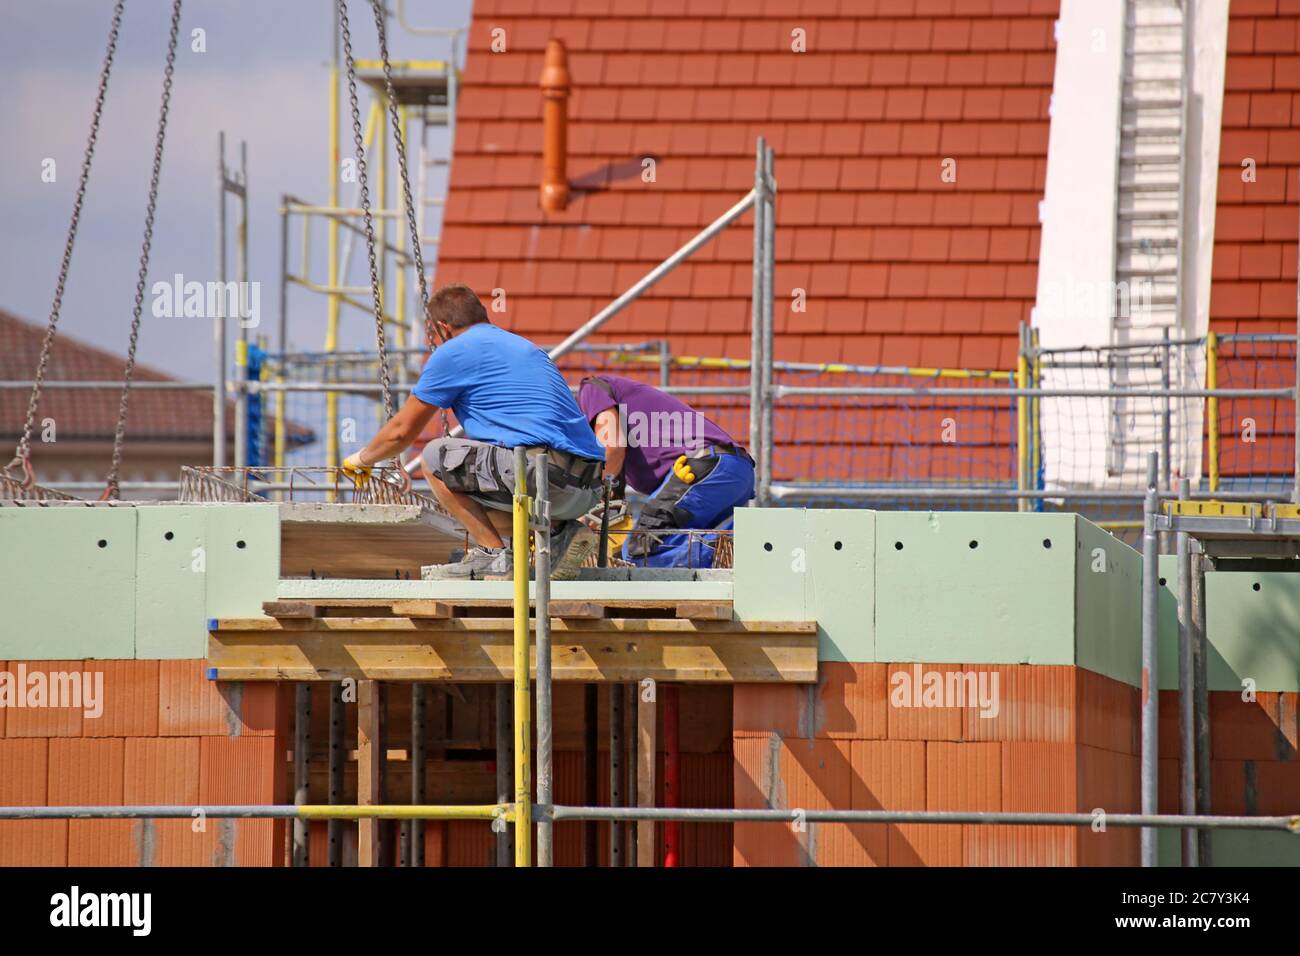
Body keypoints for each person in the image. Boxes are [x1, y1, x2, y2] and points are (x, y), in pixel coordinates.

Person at [341, 284, 605, 578]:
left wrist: (363, 459)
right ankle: (562, 532)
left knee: (433, 457)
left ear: (442, 327)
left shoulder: (455, 351)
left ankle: (492, 554)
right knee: (484, 509)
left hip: (543, 477)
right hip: (587, 488)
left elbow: (401, 432)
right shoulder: (526, 347)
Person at [576, 373, 754, 567]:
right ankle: (753, 543)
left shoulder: (591, 389)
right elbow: (610, 499)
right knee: (671, 546)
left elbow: (614, 446)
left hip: (703, 468)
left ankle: (743, 548)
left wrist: (582, 502)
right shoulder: (620, 422)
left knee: (641, 549)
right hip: (731, 470)